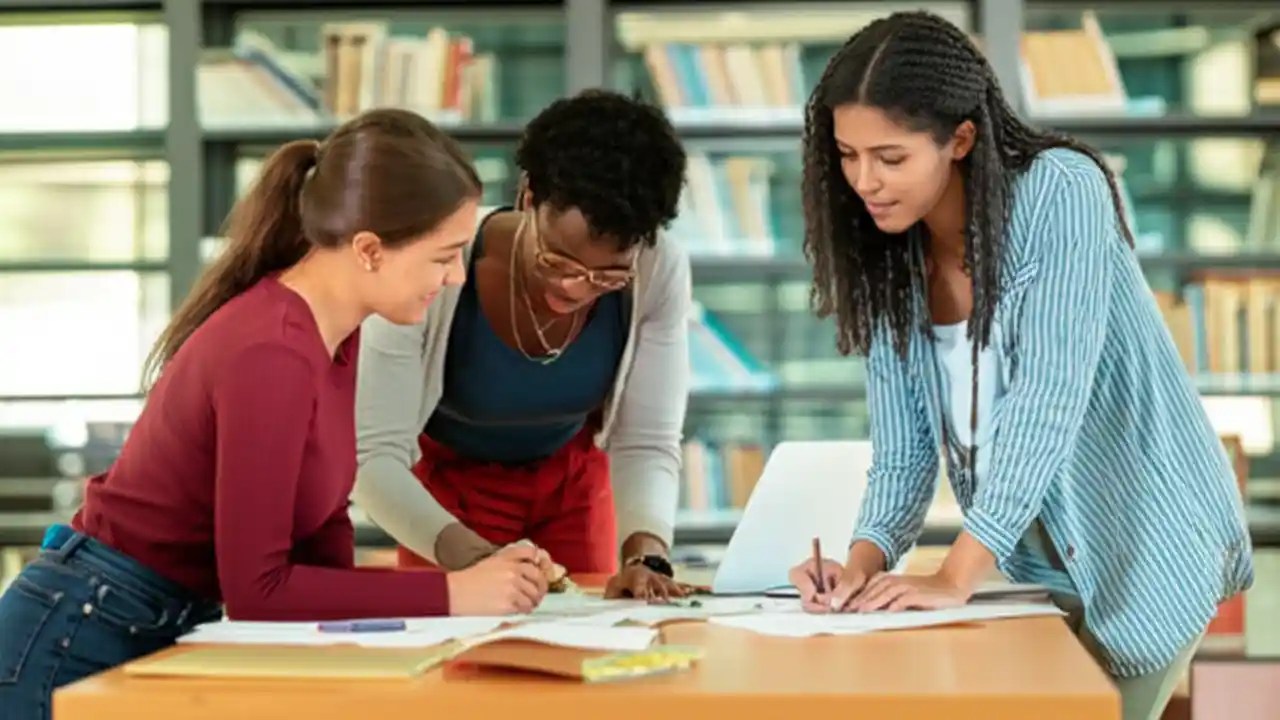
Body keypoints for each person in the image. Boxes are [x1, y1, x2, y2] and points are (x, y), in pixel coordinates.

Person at [0, 109, 552, 720]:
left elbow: (320, 538)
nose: (453, 279)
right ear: (369, 250)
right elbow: (259, 590)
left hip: (149, 630)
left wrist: (456, 590)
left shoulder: (338, 337)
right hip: (74, 643)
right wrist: (452, 594)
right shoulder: (273, 352)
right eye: (442, 257)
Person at [785, 12, 1253, 720]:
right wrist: (862, 563)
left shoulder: (1060, 190)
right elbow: (905, 450)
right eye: (847, 156)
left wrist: (954, 574)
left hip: (1143, 548)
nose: (864, 182)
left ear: (961, 139)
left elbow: (1048, 398)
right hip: (1033, 570)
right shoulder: (891, 257)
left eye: (890, 157)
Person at [353, 89, 692, 600]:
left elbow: (646, 440)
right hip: (447, 496)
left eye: (607, 277)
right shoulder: (434, 259)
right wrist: (480, 560)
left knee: (593, 645)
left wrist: (645, 556)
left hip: (572, 487)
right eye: (557, 261)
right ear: (529, 196)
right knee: (457, 661)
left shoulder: (657, 267)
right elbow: (372, 455)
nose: (576, 290)